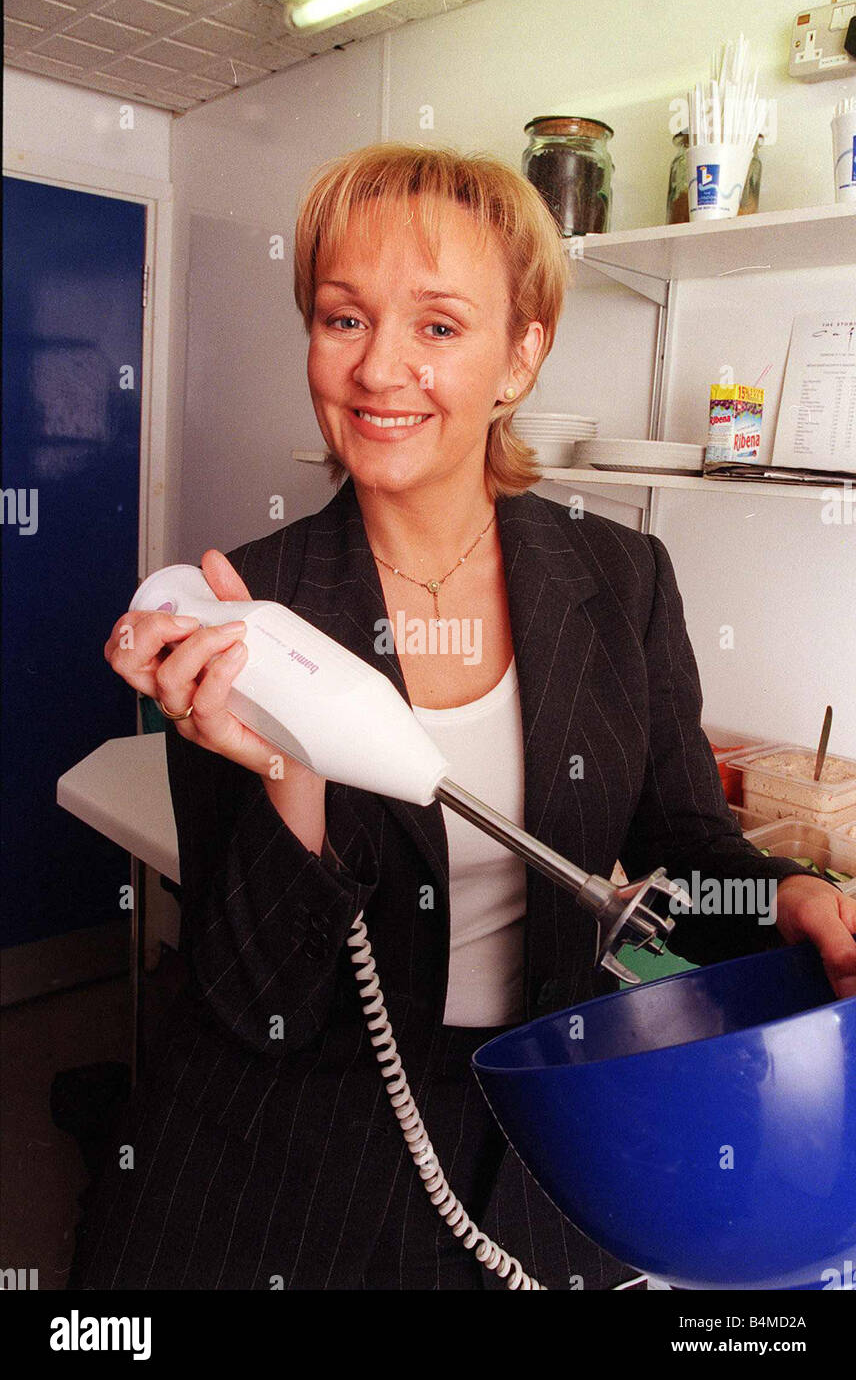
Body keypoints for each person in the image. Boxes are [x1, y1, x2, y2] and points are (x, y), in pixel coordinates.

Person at [71, 143, 856, 1292]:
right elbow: (251, 996)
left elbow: (686, 866)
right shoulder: (252, 612)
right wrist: (287, 777)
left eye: (438, 327)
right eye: (343, 318)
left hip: (548, 1138)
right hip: (287, 1165)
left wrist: (781, 896)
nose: (380, 368)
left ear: (520, 354)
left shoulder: (622, 578)